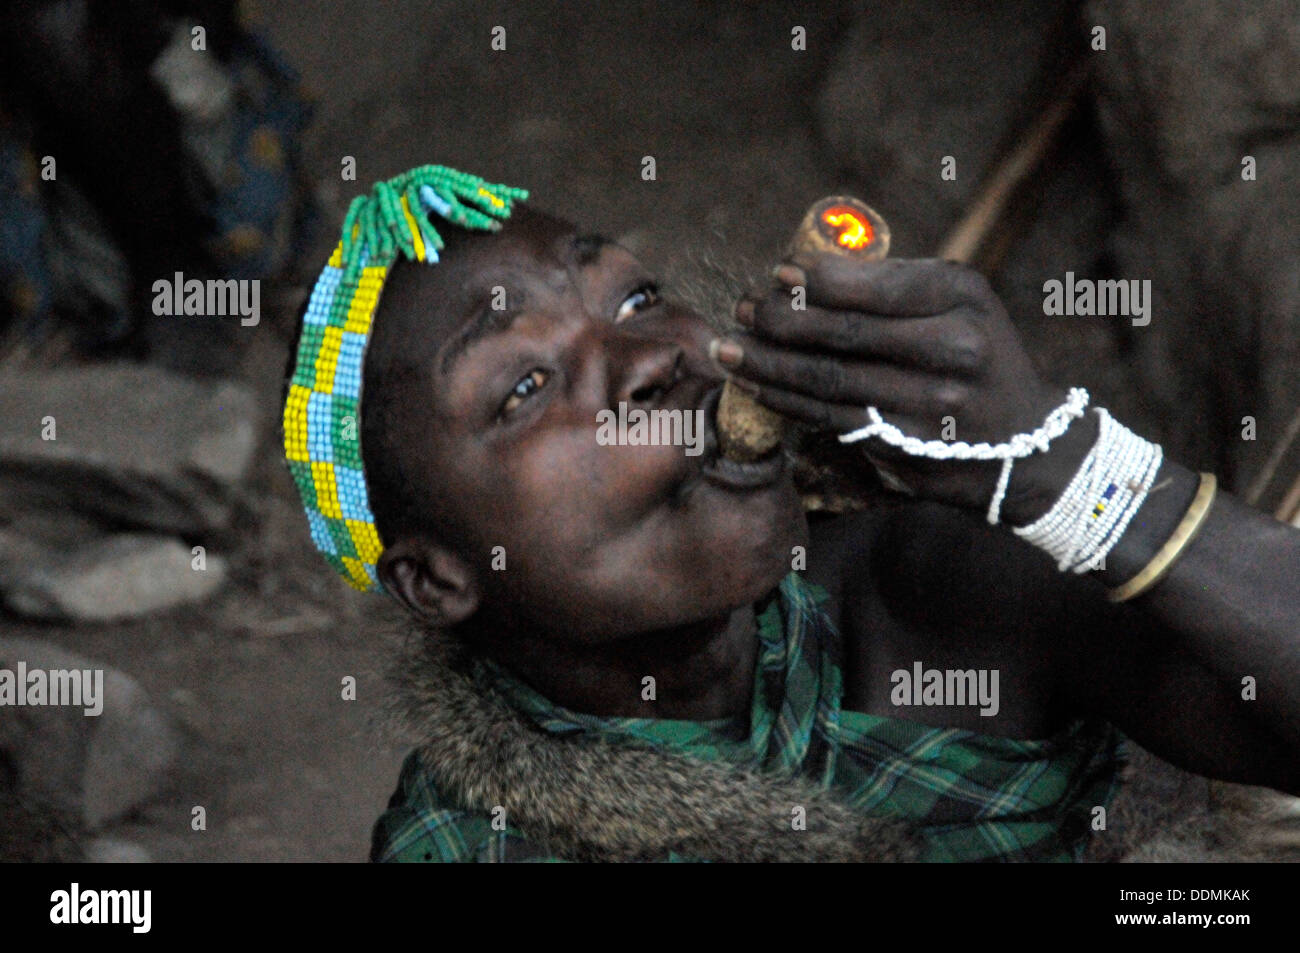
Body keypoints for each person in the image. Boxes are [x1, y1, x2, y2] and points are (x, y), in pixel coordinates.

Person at [281, 165, 1300, 862]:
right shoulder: (466, 844)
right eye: (521, 388)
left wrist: (1063, 469)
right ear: (437, 576)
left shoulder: (925, 590)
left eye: (635, 301)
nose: (651, 360)